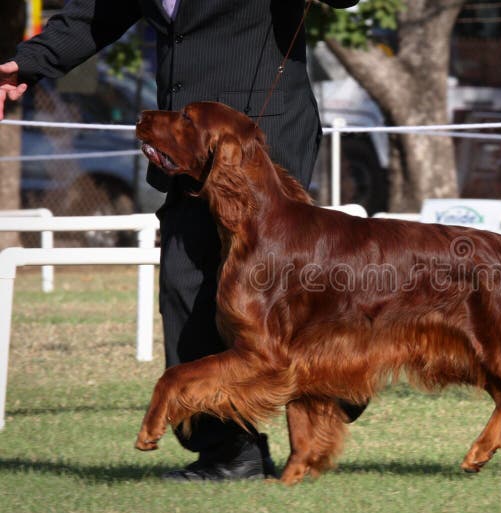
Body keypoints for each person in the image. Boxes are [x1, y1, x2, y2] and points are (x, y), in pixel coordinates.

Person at [0, 0, 366, 481]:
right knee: (185, 285)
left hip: (259, 138)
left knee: (283, 298)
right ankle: (230, 454)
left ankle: (346, 377)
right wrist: (29, 63)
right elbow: (96, 12)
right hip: (185, 146)